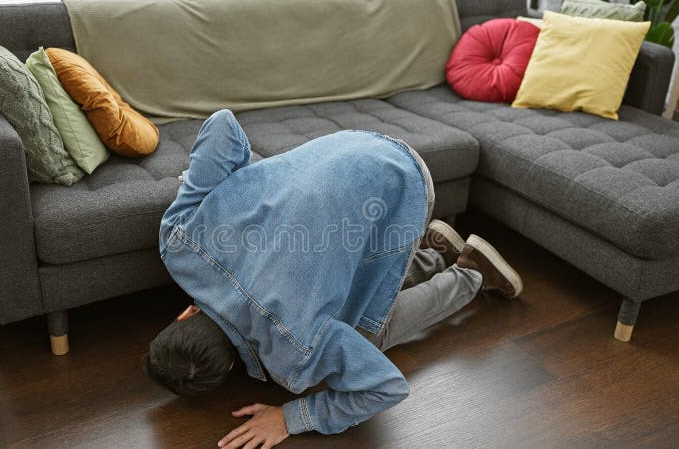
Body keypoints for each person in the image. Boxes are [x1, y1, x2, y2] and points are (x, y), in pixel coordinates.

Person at [145, 109, 523, 449]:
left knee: (369, 335)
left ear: (229, 368)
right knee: (329, 284)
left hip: (406, 181)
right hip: (350, 144)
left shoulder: (296, 353)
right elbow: (222, 123)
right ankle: (433, 254)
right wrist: (218, 179)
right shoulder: (178, 242)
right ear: (185, 315)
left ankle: (471, 272)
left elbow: (385, 387)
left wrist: (291, 419)